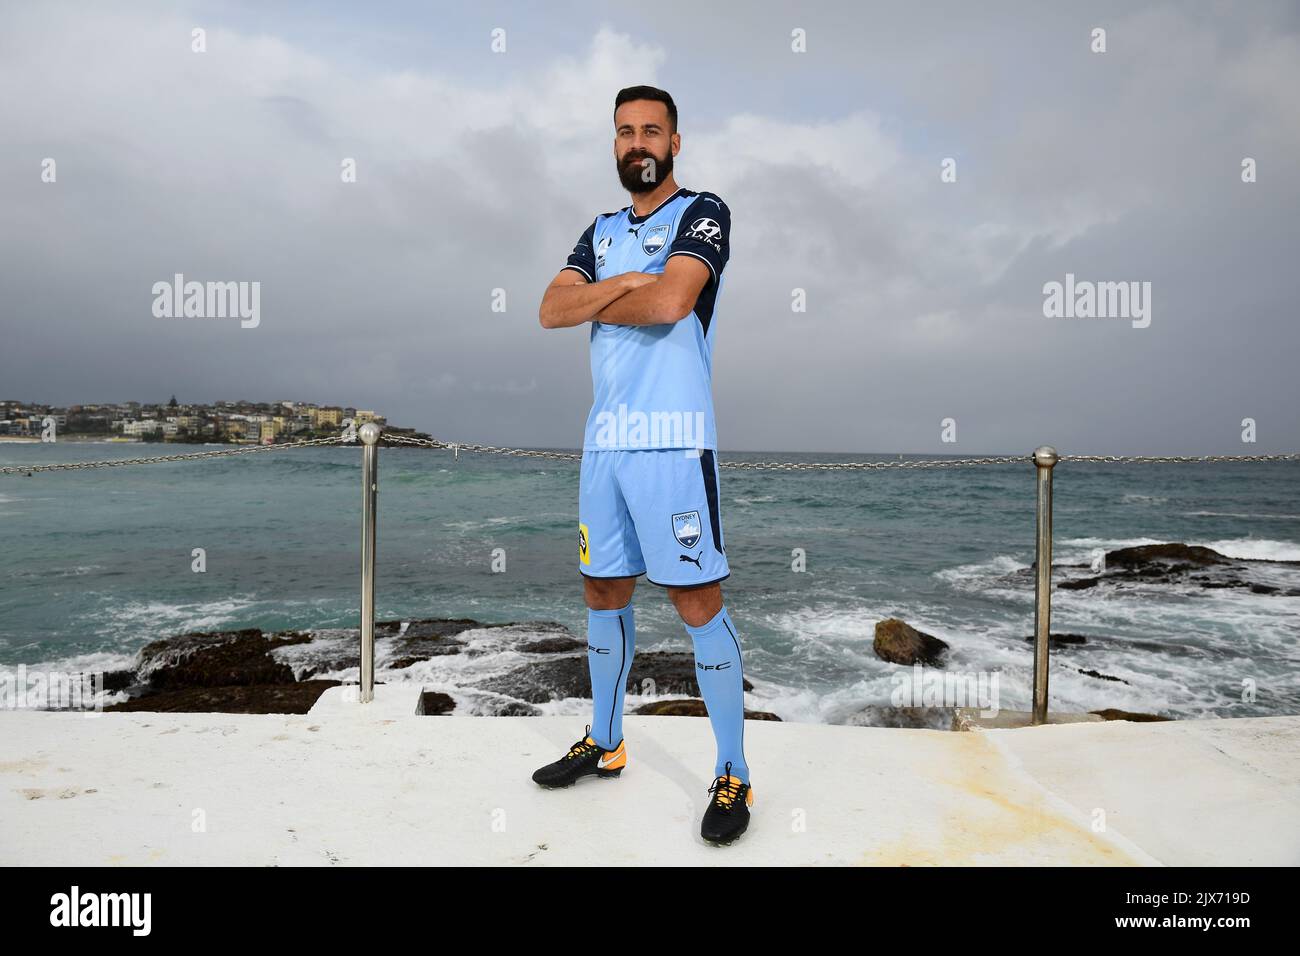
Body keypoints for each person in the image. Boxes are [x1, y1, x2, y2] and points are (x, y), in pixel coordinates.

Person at [533, 85, 753, 845]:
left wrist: (609, 295)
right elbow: (548, 311)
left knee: (696, 602)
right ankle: (606, 741)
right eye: (625, 131)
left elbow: (671, 304)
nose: (637, 143)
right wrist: (627, 283)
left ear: (675, 142)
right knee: (602, 589)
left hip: (672, 442)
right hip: (606, 444)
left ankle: (734, 773)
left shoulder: (704, 212)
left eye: (651, 130)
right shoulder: (598, 229)